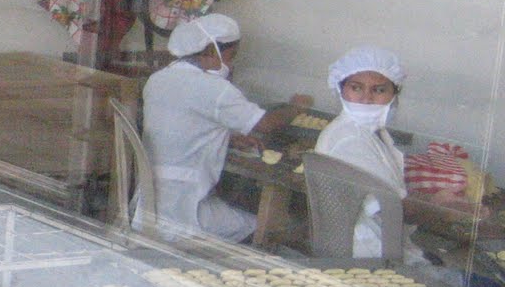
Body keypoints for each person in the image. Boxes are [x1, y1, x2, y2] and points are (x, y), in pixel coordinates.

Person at [139, 14, 311, 242]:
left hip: (150, 202)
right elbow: (266, 124)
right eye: (231, 57)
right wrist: (296, 107)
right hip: (186, 209)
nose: (231, 64)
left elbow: (180, 125)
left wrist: (226, 137)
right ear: (211, 51)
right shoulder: (215, 89)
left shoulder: (159, 79)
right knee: (265, 226)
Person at [314, 46, 419, 260]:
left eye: (379, 90)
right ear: (341, 89)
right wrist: (448, 210)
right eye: (356, 88)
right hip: (367, 254)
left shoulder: (372, 133)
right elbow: (395, 208)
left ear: (394, 94)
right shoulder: (349, 138)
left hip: (382, 245)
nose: (366, 99)